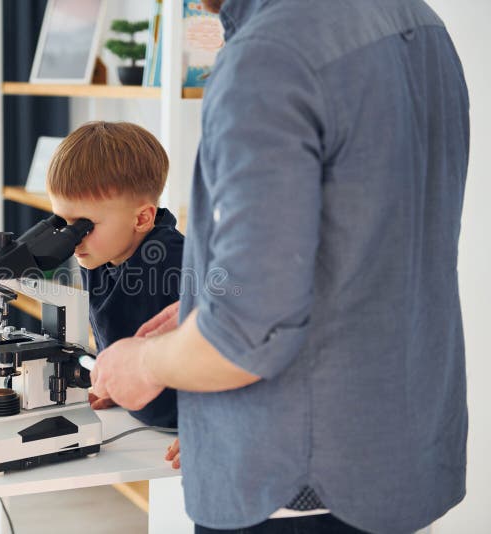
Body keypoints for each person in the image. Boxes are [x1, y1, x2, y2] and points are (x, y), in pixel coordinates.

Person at [90, 1, 470, 533]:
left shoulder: (268, 57)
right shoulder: (416, 19)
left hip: (292, 484)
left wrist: (145, 363)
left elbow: (249, 336)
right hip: (396, 461)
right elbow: (367, 250)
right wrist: (210, 306)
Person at [46, 121, 184, 428]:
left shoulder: (175, 261)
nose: (72, 238)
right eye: (63, 222)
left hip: (186, 426)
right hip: (145, 417)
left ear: (142, 218)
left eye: (84, 225)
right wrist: (118, 385)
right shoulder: (99, 255)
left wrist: (207, 426)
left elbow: (220, 351)